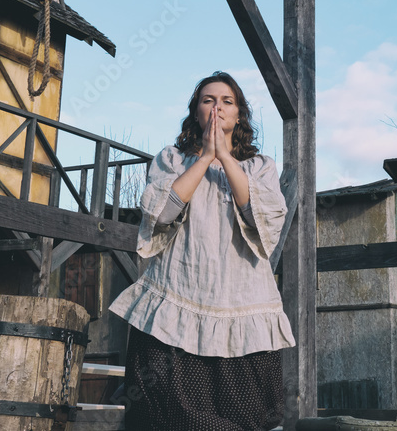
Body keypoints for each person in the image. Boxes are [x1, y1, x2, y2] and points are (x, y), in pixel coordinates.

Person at [109, 71, 295, 431]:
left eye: (227, 101)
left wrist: (224, 155)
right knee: (172, 417)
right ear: (196, 112)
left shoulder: (260, 167)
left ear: (239, 115)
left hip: (241, 304)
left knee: (246, 418)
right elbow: (161, 213)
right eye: (208, 100)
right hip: (179, 299)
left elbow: (260, 220)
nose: (217, 108)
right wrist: (206, 157)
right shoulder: (172, 160)